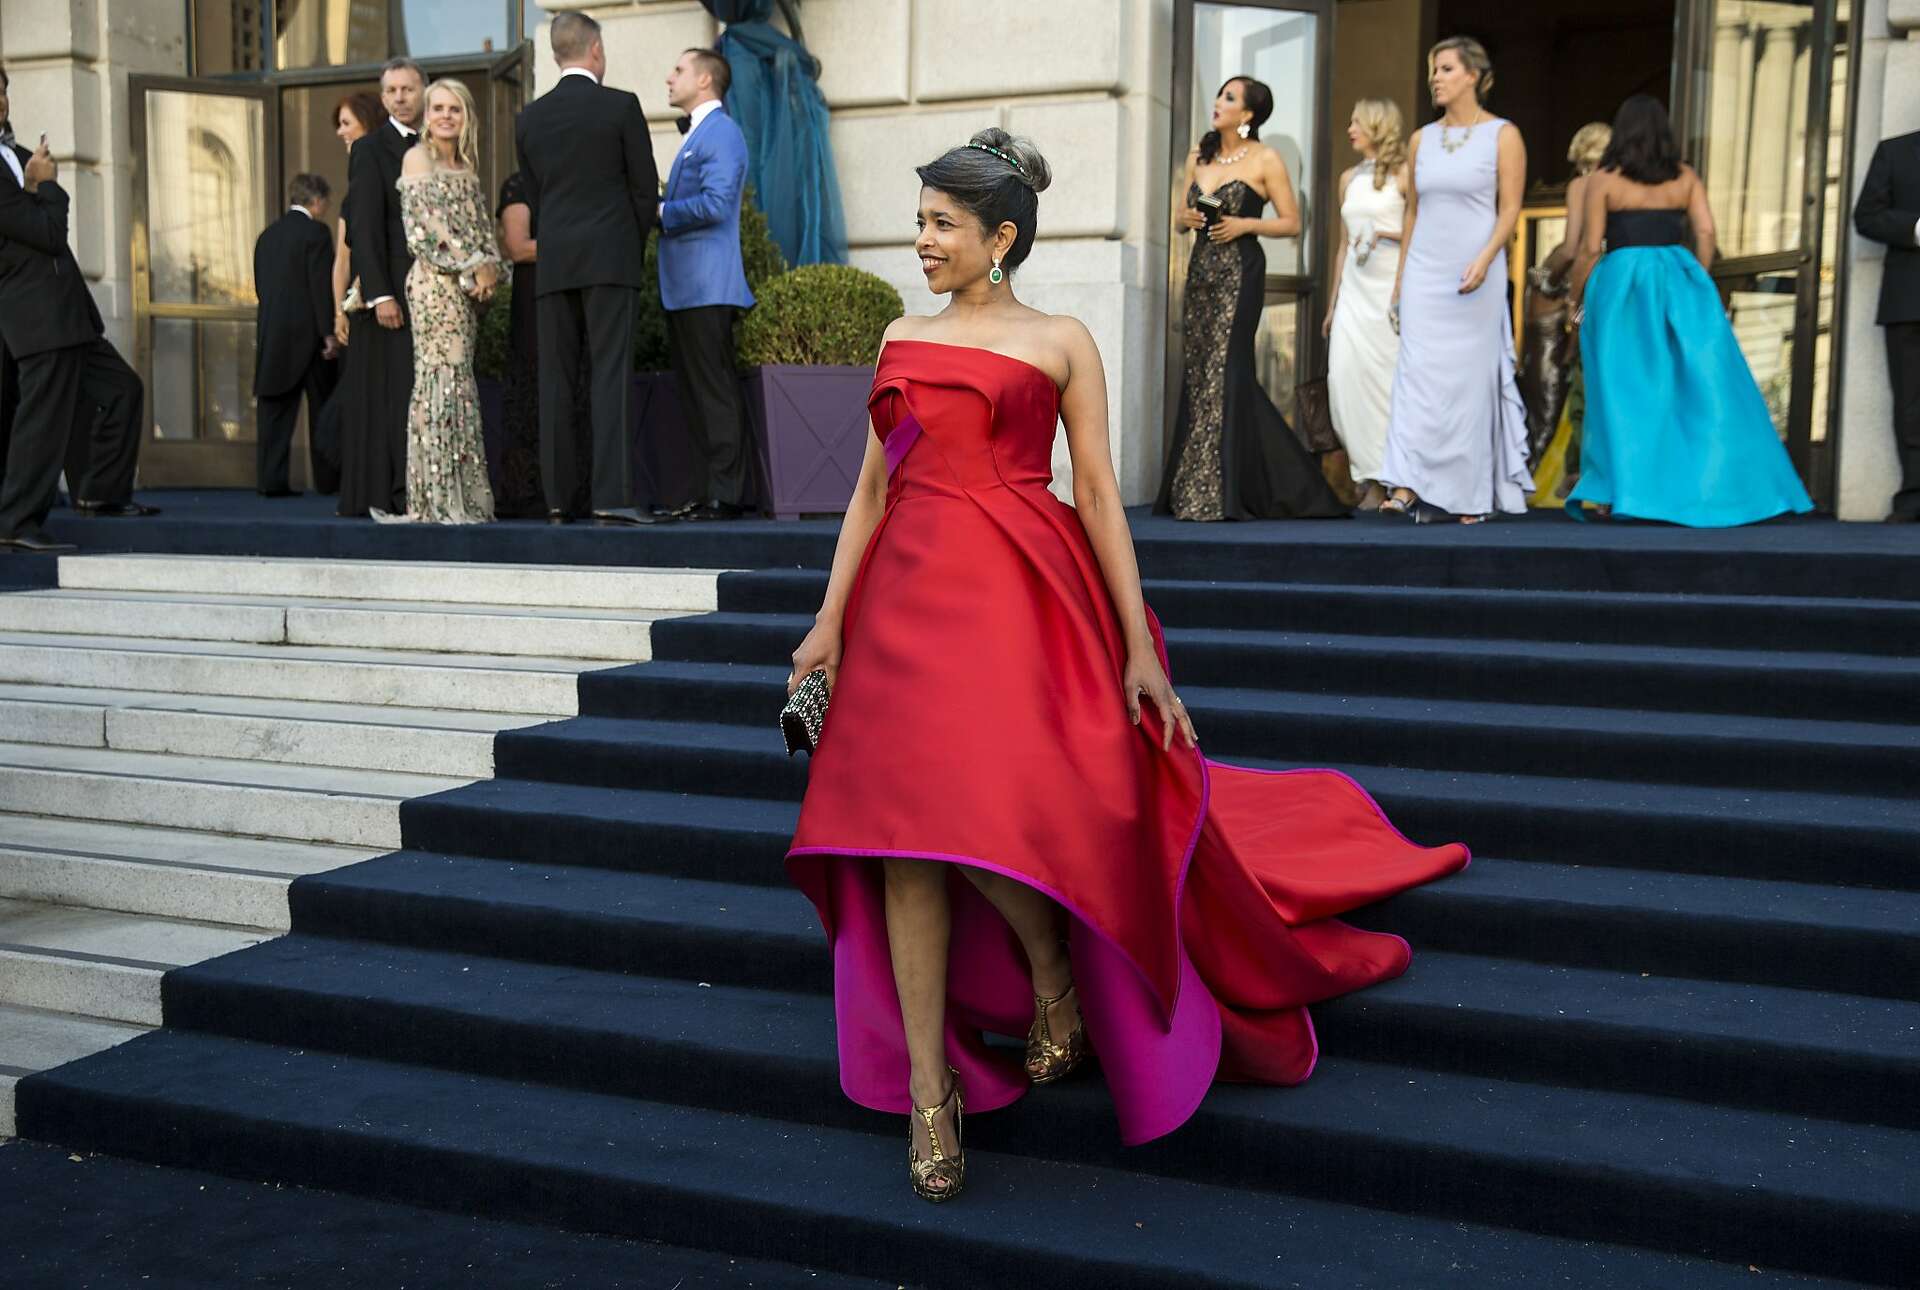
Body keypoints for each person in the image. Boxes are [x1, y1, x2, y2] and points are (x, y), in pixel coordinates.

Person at [783, 128, 1469, 1203]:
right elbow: (871, 493)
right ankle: (930, 1093)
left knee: (980, 819)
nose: (918, 241)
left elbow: (1097, 490)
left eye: (939, 225)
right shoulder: (898, 340)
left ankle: (1055, 972)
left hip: (1017, 595)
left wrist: (1140, 646)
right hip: (901, 610)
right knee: (899, 842)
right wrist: (827, 624)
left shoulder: (1061, 340)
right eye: (919, 222)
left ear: (1000, 238)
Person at [1567, 95, 1812, 527]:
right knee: (1696, 387)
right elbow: (1706, 230)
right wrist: (1695, 274)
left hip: (1622, 282)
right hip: (1676, 278)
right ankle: (1705, 486)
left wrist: (1578, 299)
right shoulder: (1685, 177)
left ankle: (1620, 491)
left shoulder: (1604, 181)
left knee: (1623, 390)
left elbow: (1589, 248)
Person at [1156, 77, 1346, 521]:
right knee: (1201, 371)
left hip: (1240, 272)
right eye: (1219, 95)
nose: (1217, 103)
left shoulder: (1266, 158)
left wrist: (1243, 225)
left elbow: (1292, 222)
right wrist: (1184, 218)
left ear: (1248, 115)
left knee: (1228, 370)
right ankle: (1199, 487)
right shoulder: (1198, 156)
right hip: (1202, 271)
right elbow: (1181, 222)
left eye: (1229, 98)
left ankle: (1221, 491)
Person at [515, 10, 662, 526]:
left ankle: (557, 501)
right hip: (610, 260)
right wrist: (628, 241)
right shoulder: (620, 107)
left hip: (555, 263)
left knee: (554, 380)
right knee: (610, 377)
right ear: (595, 49)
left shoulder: (528, 118)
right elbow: (645, 190)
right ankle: (610, 497)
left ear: (557, 52)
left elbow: (535, 195)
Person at [1379, 37, 1532, 523]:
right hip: (1425, 271)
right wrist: (1400, 283)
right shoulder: (1421, 139)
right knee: (1416, 379)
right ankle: (1405, 485)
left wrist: (1487, 258)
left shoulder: (1503, 135)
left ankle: (1468, 496)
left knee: (1467, 387)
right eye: (1433, 70)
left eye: (1445, 69)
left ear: (1473, 75)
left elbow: (1510, 209)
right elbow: (1412, 215)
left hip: (1476, 273)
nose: (1435, 78)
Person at [0, 65, 150, 553]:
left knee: (123, 389)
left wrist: (36, 183)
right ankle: (16, 521)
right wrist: (47, 185)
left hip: (69, 312)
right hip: (33, 315)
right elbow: (45, 232)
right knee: (43, 421)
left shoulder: (21, 158)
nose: (0, 101)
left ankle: (99, 493)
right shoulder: (26, 169)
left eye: (0, 92)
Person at [373, 80, 503, 526]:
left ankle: (464, 496)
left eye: (455, 109)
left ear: (466, 116)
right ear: (426, 115)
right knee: (438, 384)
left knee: (460, 385)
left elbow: (483, 231)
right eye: (437, 108)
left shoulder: (465, 165)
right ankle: (436, 498)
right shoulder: (417, 158)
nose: (445, 116)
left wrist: (490, 270)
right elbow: (424, 235)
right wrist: (473, 267)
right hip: (434, 287)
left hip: (466, 292)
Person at [660, 47, 758, 522]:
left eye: (678, 70)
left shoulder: (721, 132)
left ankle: (728, 494)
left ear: (705, 81)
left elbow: (717, 204)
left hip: (707, 285)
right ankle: (712, 491)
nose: (668, 78)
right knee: (698, 394)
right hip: (688, 286)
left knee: (714, 393)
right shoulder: (704, 132)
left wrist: (660, 212)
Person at [339, 58, 424, 518]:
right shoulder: (370, 149)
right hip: (393, 295)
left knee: (420, 395)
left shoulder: (440, 142)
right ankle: (394, 495)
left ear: (422, 92)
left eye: (408, 89)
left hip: (434, 295)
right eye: (391, 91)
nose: (400, 97)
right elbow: (365, 228)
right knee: (395, 398)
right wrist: (380, 294)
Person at [1323, 98, 1408, 510]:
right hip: (1355, 292)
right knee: (1344, 381)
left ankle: (1393, 479)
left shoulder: (1404, 175)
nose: (1350, 128)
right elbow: (1342, 244)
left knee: (1390, 384)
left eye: (1357, 121)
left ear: (1377, 125)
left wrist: (1401, 289)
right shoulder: (1347, 178)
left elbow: (1415, 235)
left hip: (1389, 288)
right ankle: (1367, 473)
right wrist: (1333, 302)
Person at [494, 170, 591, 518]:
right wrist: (579, 244)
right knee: (532, 387)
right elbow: (518, 248)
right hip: (534, 299)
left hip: (572, 296)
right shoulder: (519, 185)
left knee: (575, 386)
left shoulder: (574, 183)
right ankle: (529, 491)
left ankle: (575, 489)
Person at [1526, 122, 1610, 504]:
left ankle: (1578, 473)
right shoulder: (1630, 184)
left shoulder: (1584, 186)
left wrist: (1541, 276)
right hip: (1625, 286)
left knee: (1578, 382)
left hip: (1589, 288)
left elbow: (1574, 249)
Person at [310, 92, 385, 498]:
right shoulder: (353, 188)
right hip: (357, 308)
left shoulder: (393, 168)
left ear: (367, 121)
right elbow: (342, 258)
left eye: (345, 122)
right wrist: (339, 312)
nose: (340, 131)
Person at [252, 173, 338, 497]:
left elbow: (261, 287)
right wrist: (328, 333)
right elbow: (320, 287)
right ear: (316, 201)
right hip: (310, 339)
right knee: (323, 411)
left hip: (273, 335)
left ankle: (270, 481)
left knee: (274, 412)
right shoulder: (316, 233)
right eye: (325, 203)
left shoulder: (267, 236)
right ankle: (329, 482)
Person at [1854, 124, 1920, 523]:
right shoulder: (1894, 151)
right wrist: (1915, 228)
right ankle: (1915, 496)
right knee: (1910, 404)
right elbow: (1867, 216)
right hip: (1908, 301)